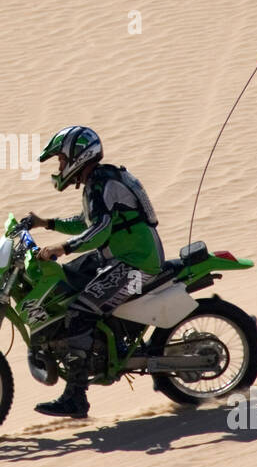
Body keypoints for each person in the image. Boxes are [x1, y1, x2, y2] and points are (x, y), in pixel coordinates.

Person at [24, 126, 164, 418]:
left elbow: (99, 232)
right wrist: (46, 223)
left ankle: (76, 397)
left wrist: (62, 247)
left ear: (78, 156)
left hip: (137, 266)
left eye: (62, 160)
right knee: (65, 282)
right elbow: (87, 223)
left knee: (80, 311)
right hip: (118, 258)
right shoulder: (98, 182)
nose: (60, 167)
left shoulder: (101, 183)